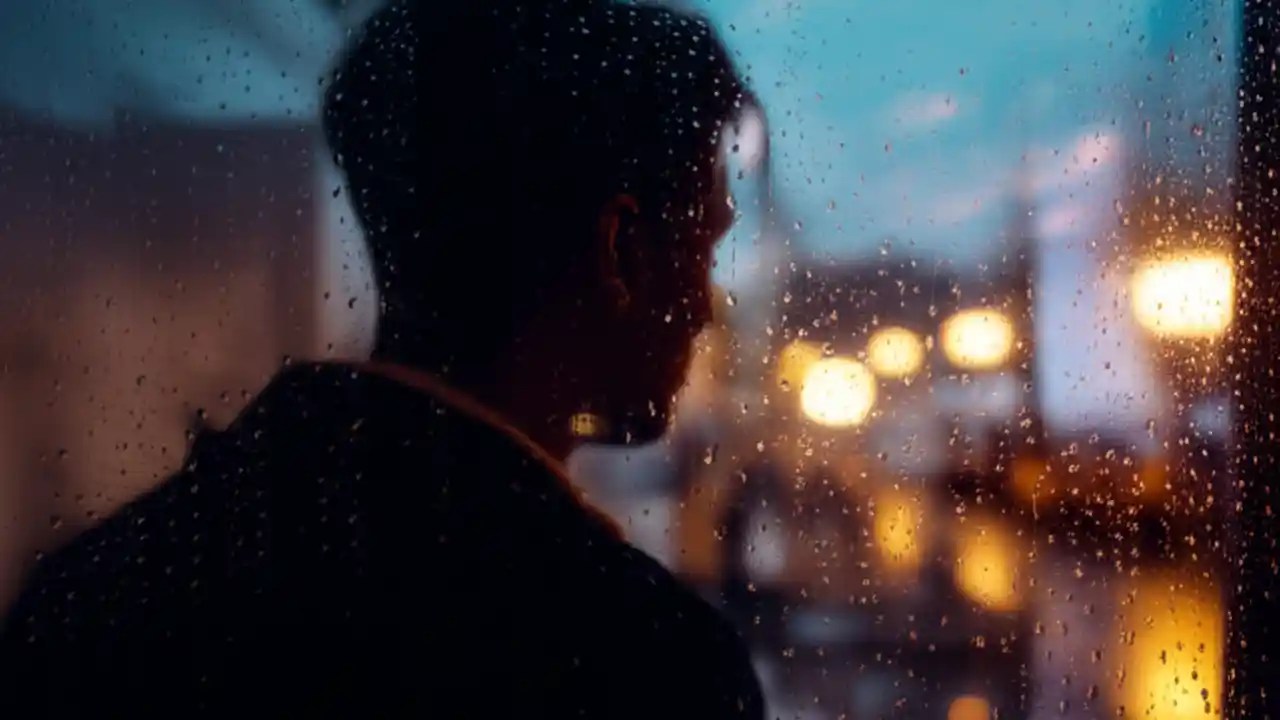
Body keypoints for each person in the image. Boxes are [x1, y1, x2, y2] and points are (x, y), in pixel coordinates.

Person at [0, 0, 765, 716]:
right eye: (704, 248)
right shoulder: (639, 662)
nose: (701, 311)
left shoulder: (116, 582)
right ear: (622, 251)